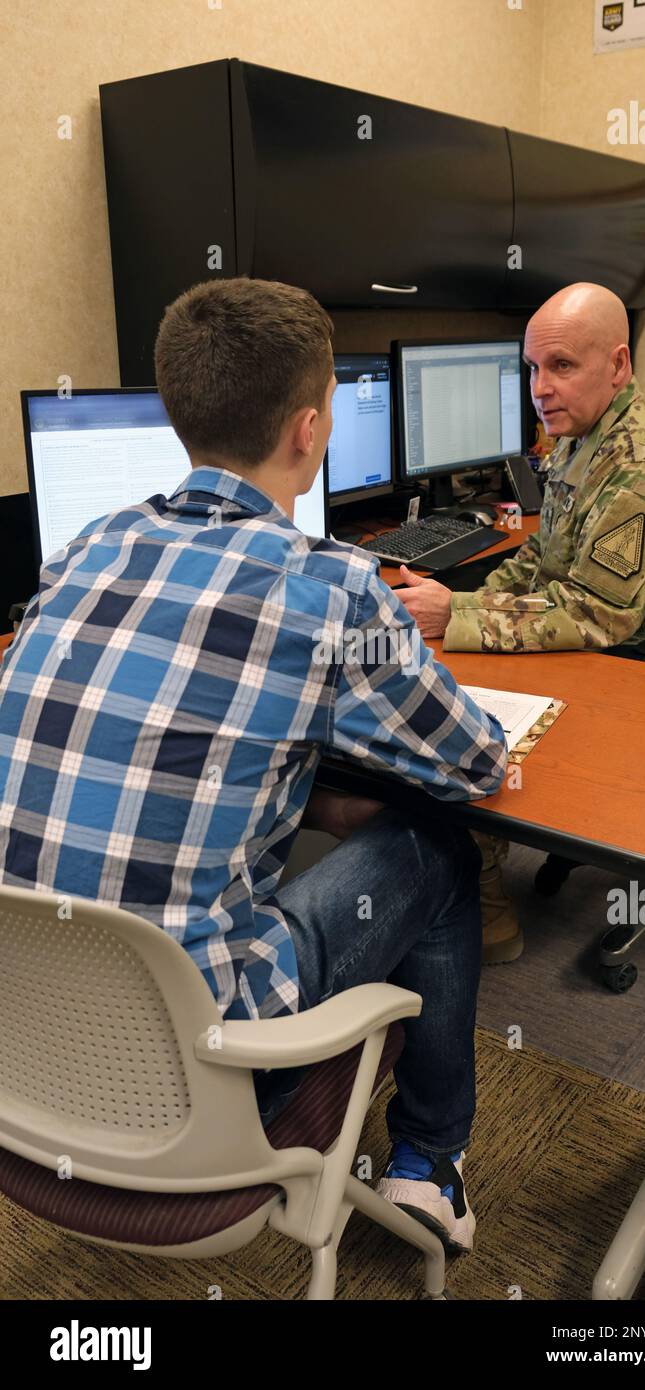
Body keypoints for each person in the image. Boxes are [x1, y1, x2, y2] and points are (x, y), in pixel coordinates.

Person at [0, 277, 508, 1254]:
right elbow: (475, 762)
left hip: (29, 1057)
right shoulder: (331, 587)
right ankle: (426, 1166)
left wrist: (304, 792)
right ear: (310, 431)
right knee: (439, 842)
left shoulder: (80, 552)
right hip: (207, 1082)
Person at [397, 282, 645, 965]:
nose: (539, 388)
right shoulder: (580, 438)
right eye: (530, 369)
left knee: (480, 726)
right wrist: (452, 618)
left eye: (561, 367)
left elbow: (594, 613)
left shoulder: (640, 471)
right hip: (614, 642)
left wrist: (457, 613)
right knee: (459, 681)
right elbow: (538, 565)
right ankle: (474, 881)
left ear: (616, 366)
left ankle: (485, 904)